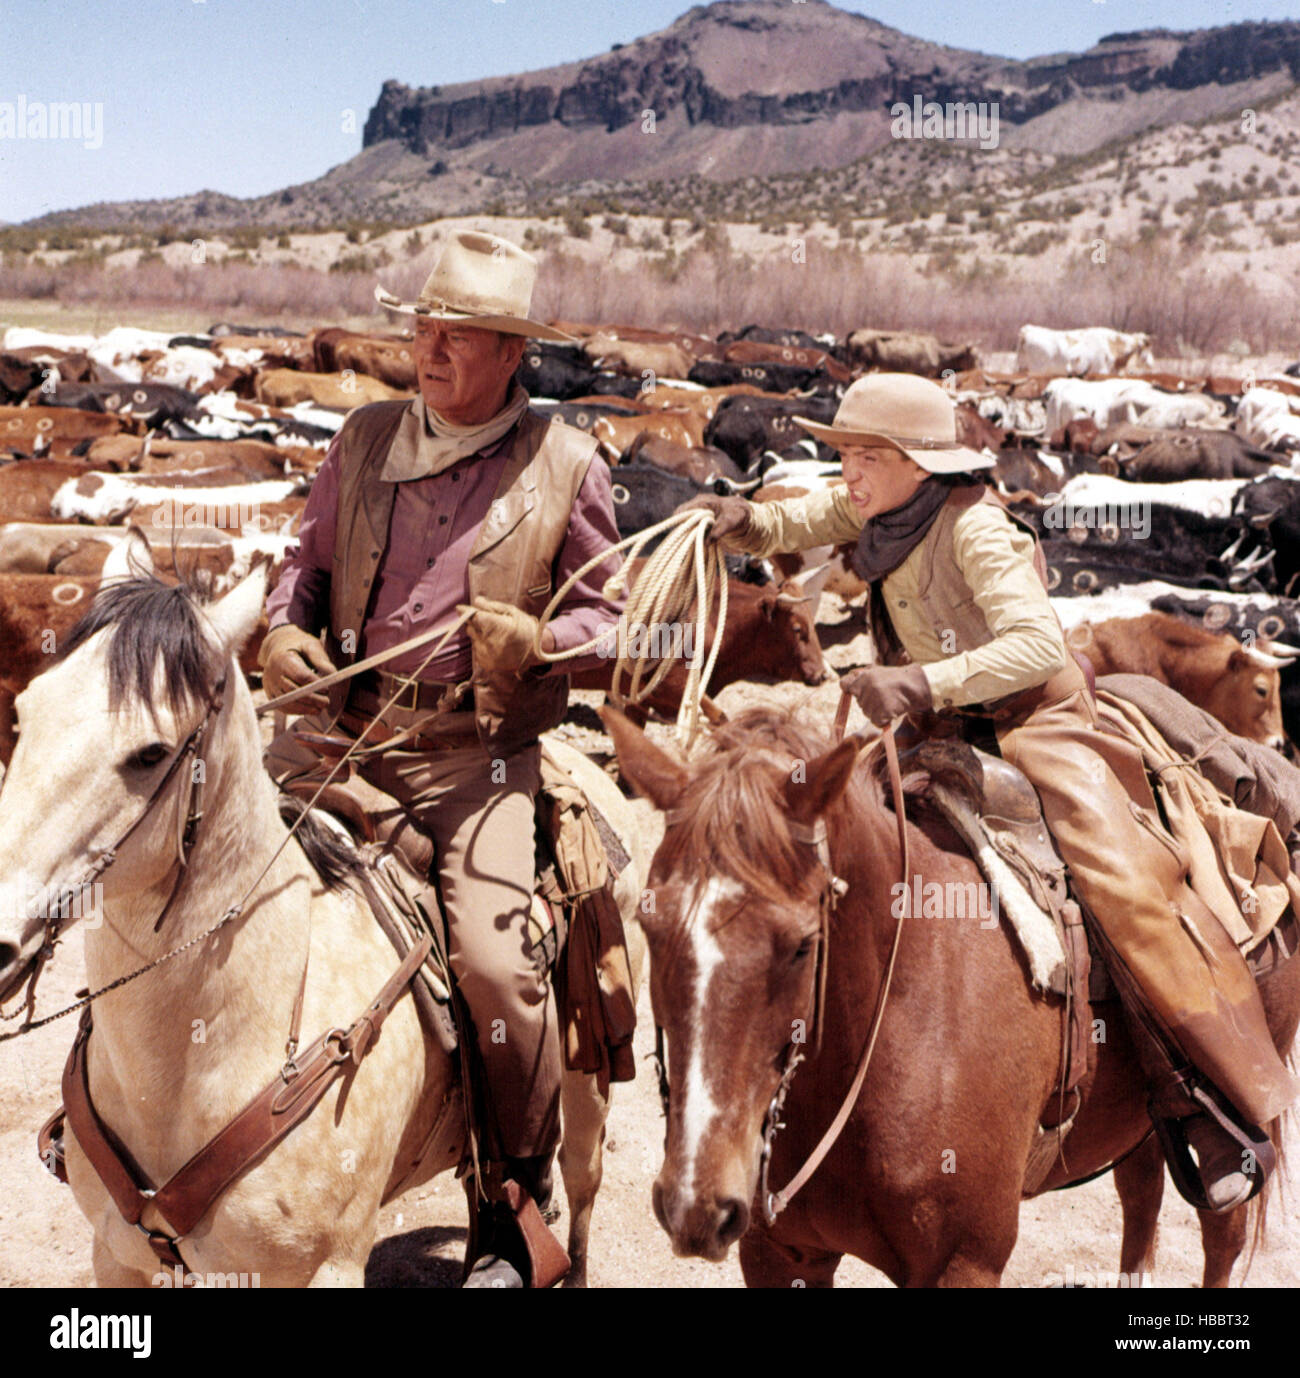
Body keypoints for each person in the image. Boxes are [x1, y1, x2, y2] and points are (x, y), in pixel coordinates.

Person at [681, 371, 1300, 1212]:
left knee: (1121, 884)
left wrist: (922, 682)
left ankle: (1204, 1095)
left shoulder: (975, 529)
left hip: (1033, 726)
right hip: (936, 728)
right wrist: (744, 518)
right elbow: (808, 516)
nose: (850, 473)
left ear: (921, 464)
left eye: (869, 456)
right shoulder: (881, 510)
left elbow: (1038, 649)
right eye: (846, 455)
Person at [259, 230, 624, 1286]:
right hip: (342, 726)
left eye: (456, 334)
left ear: (512, 350)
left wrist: (540, 642)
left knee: (501, 969)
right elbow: (306, 565)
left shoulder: (566, 461)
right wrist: (285, 630)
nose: (428, 347)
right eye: (421, 326)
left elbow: (615, 625)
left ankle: (511, 1203)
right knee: (197, 853)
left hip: (477, 758)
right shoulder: (365, 436)